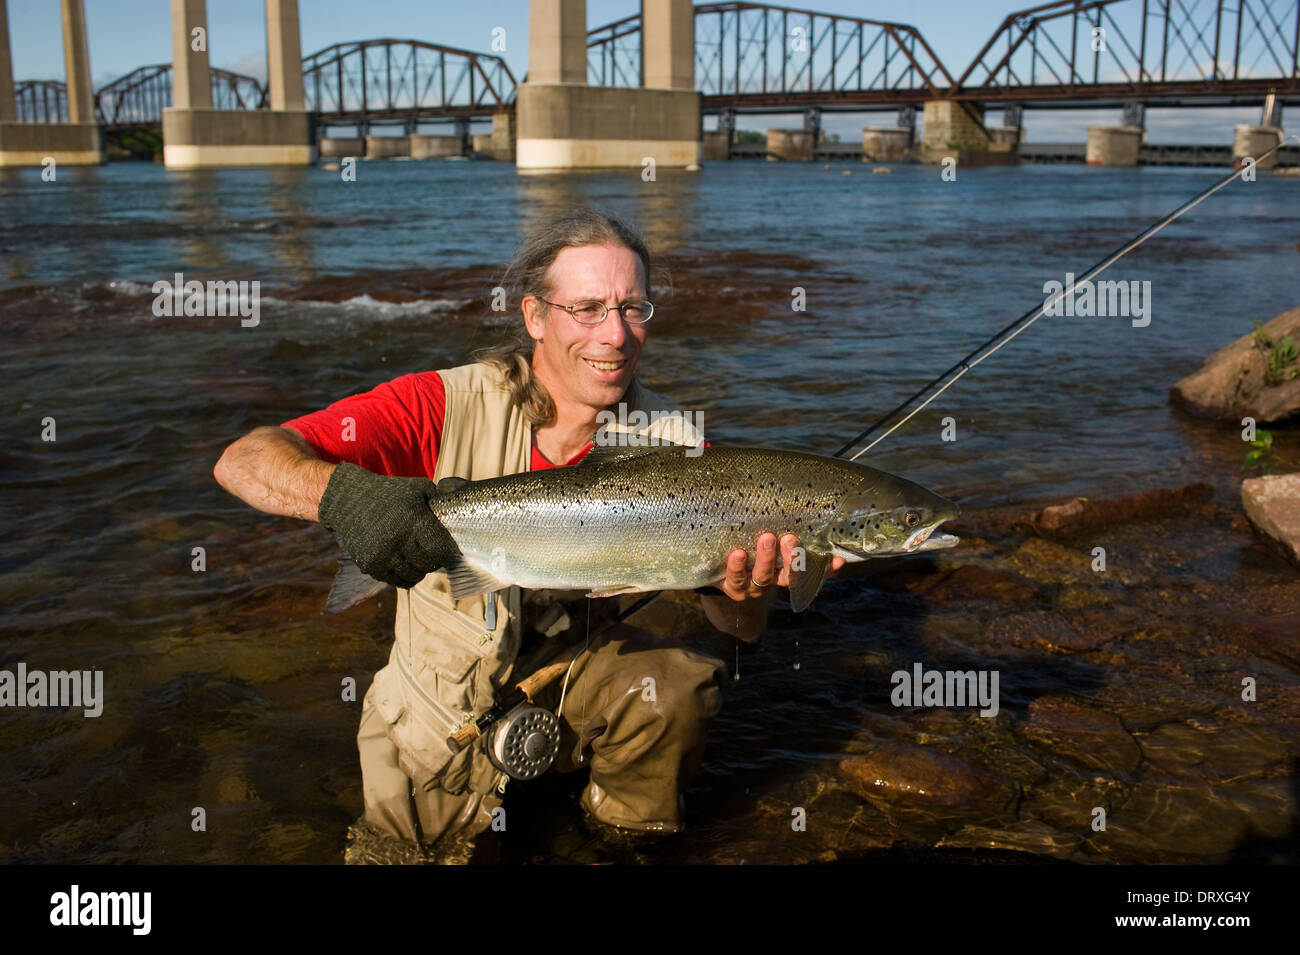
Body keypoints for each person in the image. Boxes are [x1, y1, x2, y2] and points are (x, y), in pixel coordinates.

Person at [213, 208, 841, 860]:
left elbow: (740, 630)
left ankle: (620, 838)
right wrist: (350, 499)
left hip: (573, 678)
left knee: (677, 687)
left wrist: (744, 586)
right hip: (439, 711)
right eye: (589, 308)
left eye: (634, 308)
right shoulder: (441, 404)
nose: (617, 335)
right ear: (534, 316)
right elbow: (245, 459)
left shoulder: (680, 446)